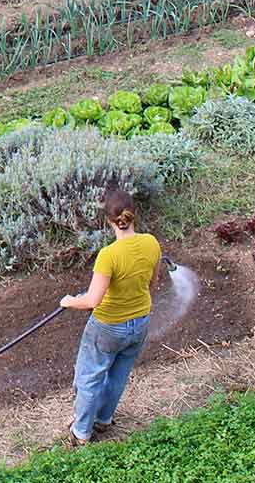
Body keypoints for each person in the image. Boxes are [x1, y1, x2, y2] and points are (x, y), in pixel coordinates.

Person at [57, 186, 162, 446]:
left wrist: (70, 301)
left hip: (108, 327)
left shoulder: (109, 255)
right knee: (118, 374)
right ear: (133, 215)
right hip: (140, 323)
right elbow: (152, 282)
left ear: (108, 221)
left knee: (89, 376)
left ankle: (81, 432)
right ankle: (104, 420)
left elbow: (93, 300)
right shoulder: (151, 243)